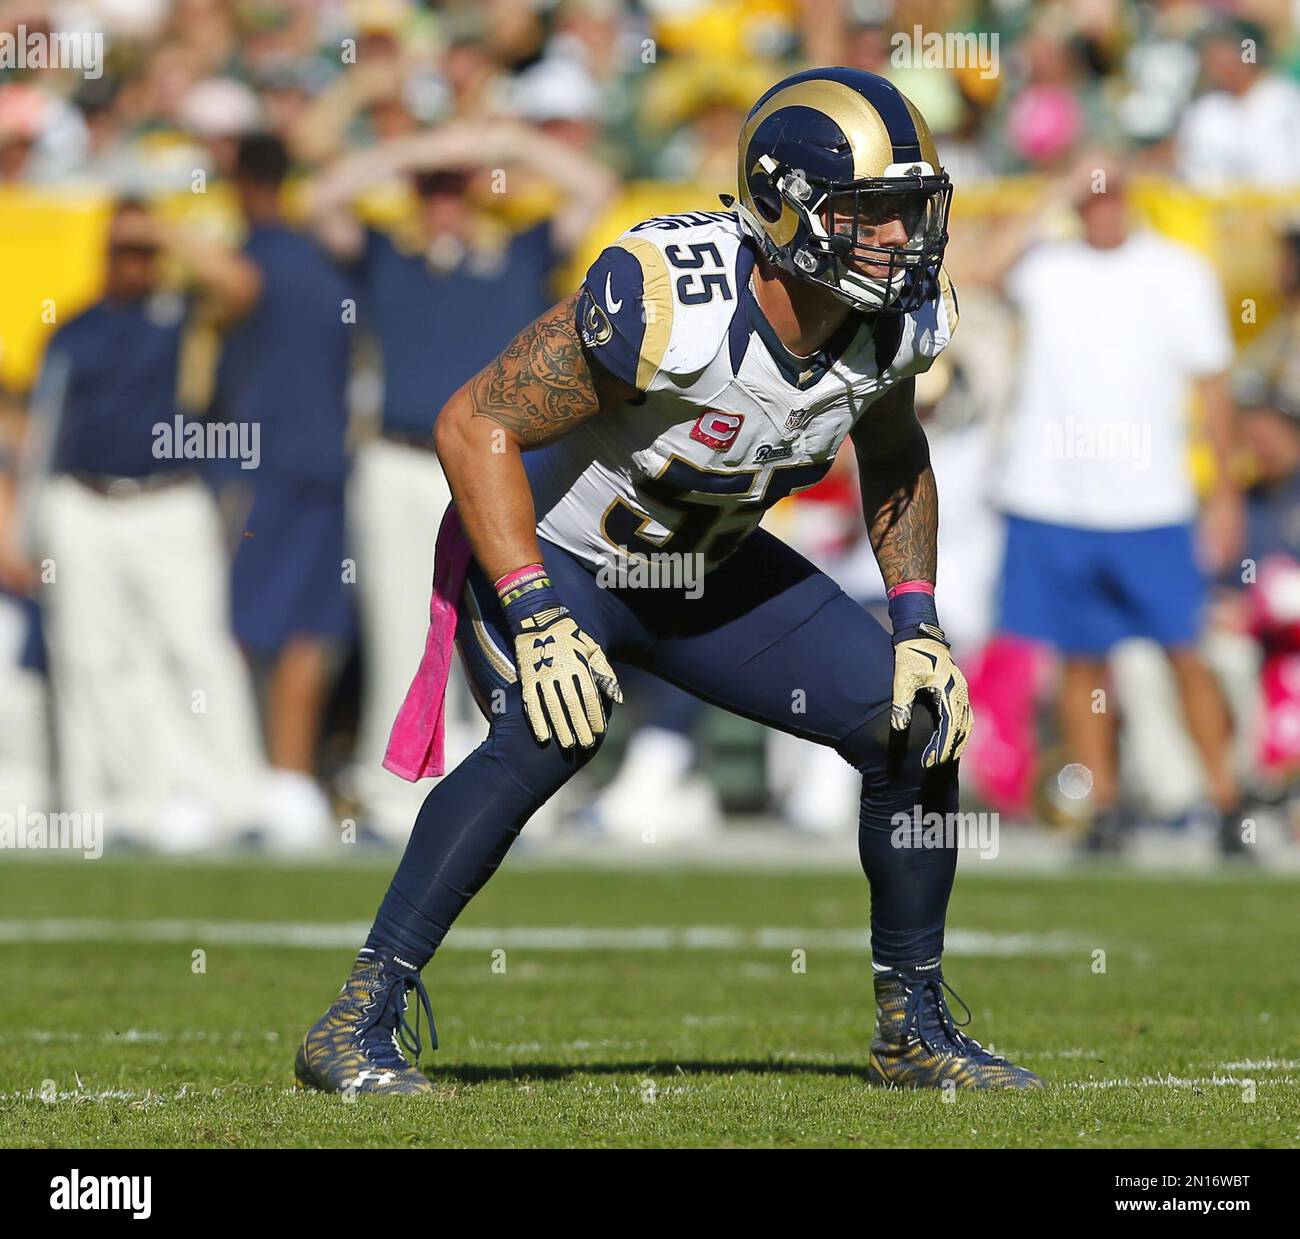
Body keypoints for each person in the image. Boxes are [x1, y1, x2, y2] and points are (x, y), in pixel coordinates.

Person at [294, 68, 1039, 1095]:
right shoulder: (668, 296)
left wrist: (917, 620)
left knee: (914, 721)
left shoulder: (890, 321)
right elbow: (474, 425)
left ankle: (913, 1029)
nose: (898, 239)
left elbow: (894, 448)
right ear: (785, 207)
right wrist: (535, 611)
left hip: (704, 568)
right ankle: (355, 1019)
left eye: (910, 212)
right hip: (557, 554)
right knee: (549, 733)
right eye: (869, 214)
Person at [308, 118, 616, 843]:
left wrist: (500, 144)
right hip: (399, 458)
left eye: (454, 187)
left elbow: (596, 188)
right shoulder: (388, 254)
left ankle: (518, 794)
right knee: (400, 629)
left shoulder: (519, 250)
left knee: (510, 622)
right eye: (431, 188)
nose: (442, 201)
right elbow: (321, 201)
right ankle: (395, 797)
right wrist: (413, 151)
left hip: (497, 463)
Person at [970, 153, 1244, 854]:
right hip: (1052, 496)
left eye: (1110, 191)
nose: (1102, 205)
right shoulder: (1048, 266)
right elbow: (981, 268)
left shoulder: (1179, 272)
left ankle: (1224, 799)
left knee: (1186, 653)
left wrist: (1223, 494)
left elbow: (1214, 389)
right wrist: (1058, 189)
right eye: (1090, 195)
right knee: (1079, 661)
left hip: (1151, 501)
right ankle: (1104, 807)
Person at [23, 200, 266, 849]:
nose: (132, 264)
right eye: (122, 250)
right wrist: (24, 523)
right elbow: (42, 427)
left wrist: (163, 231)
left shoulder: (183, 316)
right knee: (92, 656)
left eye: (143, 252)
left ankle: (234, 800)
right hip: (82, 501)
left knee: (196, 648)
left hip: (168, 499)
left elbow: (241, 285)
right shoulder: (75, 328)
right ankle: (106, 806)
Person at [218, 132, 357, 849]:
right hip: (327, 461)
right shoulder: (328, 261)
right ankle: (292, 779)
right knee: (308, 629)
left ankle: (252, 779)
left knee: (241, 629)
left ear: (240, 181)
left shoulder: (248, 258)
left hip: (258, 466)